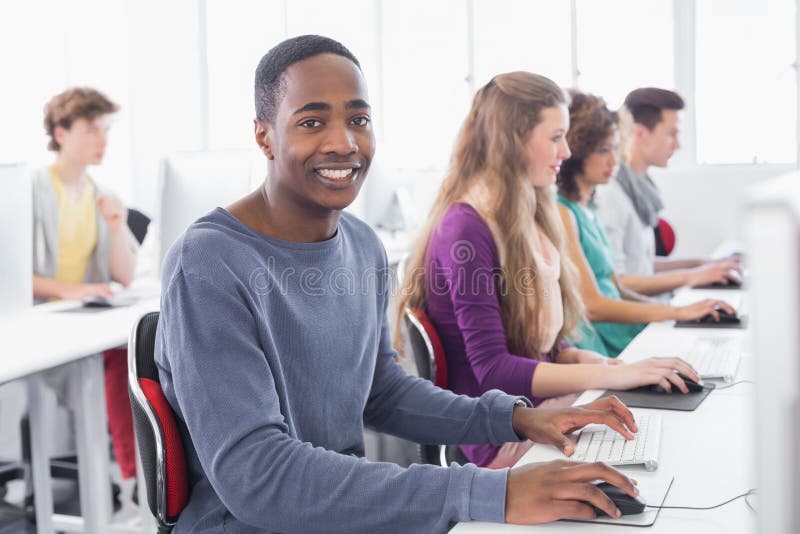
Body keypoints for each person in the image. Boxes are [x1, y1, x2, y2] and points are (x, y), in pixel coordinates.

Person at [156, 35, 644, 533]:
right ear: (264, 136)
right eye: (312, 122)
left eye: (358, 120)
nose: (344, 143)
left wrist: (515, 420)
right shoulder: (209, 263)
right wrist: (484, 490)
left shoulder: (361, 245)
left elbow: (381, 392)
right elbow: (258, 478)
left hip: (342, 517)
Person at [394, 73, 702, 471]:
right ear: (512, 141)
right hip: (501, 433)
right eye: (556, 137)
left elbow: (538, 342)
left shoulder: (524, 211)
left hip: (538, 411)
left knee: (662, 426)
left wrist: (586, 360)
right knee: (657, 439)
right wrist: (611, 375)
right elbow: (493, 369)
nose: (566, 151)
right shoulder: (465, 228)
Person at [556, 90, 735, 357]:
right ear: (578, 152)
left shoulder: (588, 207)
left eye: (615, 149)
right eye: (604, 150)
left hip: (623, 330)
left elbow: (616, 285)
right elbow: (593, 305)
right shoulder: (567, 211)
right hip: (602, 341)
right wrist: (675, 309)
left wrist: (675, 309)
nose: (614, 160)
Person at [33, 87, 139, 484]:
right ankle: (134, 479)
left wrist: (116, 227)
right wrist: (71, 290)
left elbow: (125, 275)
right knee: (118, 358)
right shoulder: (31, 191)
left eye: (105, 130)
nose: (102, 140)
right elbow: (9, 278)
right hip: (43, 323)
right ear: (61, 133)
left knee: (140, 348)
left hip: (83, 320)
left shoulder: (102, 196)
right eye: (91, 130)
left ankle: (148, 477)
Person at [594, 87, 740, 298]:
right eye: (672, 134)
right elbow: (616, 281)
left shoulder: (639, 187)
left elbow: (641, 266)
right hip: (640, 314)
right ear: (641, 134)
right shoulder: (611, 194)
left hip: (655, 306)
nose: (678, 145)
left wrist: (701, 264)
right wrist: (690, 277)